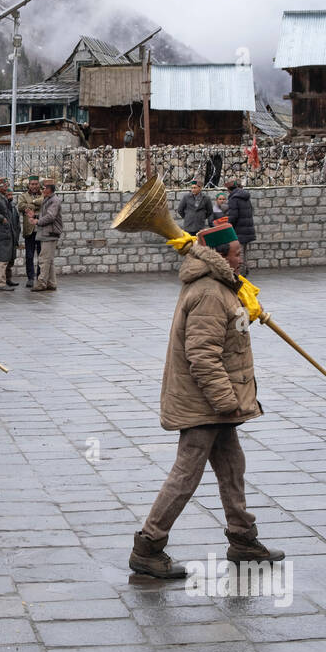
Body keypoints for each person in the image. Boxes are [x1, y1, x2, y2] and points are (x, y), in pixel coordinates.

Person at [128, 217, 283, 579]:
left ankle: (243, 539)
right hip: (205, 405)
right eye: (237, 253)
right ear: (221, 255)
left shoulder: (221, 285)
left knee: (232, 467)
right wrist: (227, 400)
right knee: (186, 475)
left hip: (214, 405)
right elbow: (203, 355)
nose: (241, 258)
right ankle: (148, 547)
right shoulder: (211, 293)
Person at [32, 178, 63, 292]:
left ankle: (41, 283)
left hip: (50, 232)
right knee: (49, 260)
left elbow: (50, 216)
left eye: (44, 188)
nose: (42, 190)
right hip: (47, 232)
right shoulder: (47, 199)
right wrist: (35, 217)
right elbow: (45, 215)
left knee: (44, 259)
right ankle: (51, 283)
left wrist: (37, 222)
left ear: (49, 189)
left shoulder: (54, 200)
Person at [223, 179, 256, 274]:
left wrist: (226, 224)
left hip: (239, 230)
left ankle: (240, 274)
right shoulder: (245, 197)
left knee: (239, 253)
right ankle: (245, 270)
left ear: (229, 189)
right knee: (244, 252)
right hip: (248, 229)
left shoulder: (234, 198)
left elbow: (233, 216)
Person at [16, 174, 43, 288]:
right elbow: (21, 206)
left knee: (41, 255)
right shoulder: (23, 195)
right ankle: (30, 278)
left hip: (41, 229)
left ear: (39, 184)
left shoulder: (44, 195)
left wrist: (33, 202)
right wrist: (36, 204)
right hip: (29, 230)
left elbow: (44, 202)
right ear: (29, 185)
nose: (34, 186)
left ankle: (40, 277)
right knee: (29, 256)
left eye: (36, 184)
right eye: (32, 184)